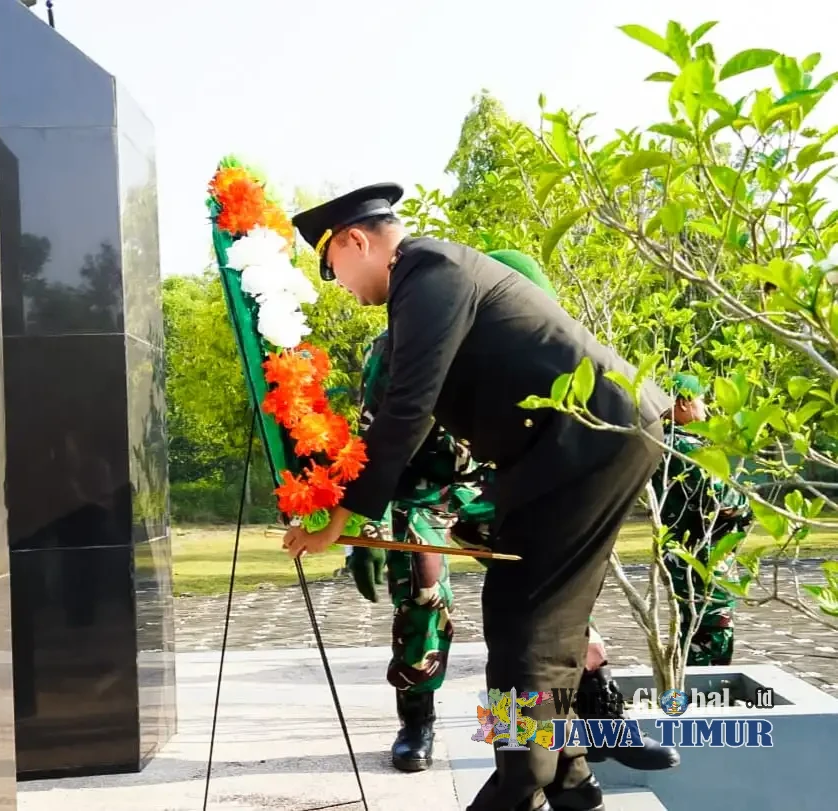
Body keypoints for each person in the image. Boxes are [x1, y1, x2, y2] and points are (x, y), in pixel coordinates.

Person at [283, 183, 671, 811]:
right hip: (568, 450)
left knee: (526, 625)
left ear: (355, 241)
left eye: (333, 270)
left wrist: (342, 516)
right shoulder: (428, 278)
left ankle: (519, 785)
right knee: (537, 623)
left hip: (586, 443)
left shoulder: (430, 272)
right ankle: (568, 777)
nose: (341, 287)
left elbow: (407, 409)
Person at [350, 249, 679, 775]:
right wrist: (365, 520)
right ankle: (418, 721)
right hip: (422, 492)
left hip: (492, 484)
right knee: (423, 598)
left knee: (556, 597)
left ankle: (595, 717)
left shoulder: (539, 343)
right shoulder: (399, 343)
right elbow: (374, 440)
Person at [652, 373, 752, 667]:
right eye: (701, 399)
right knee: (711, 635)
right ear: (684, 403)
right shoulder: (684, 447)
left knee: (690, 629)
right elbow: (723, 501)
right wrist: (746, 502)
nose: (705, 407)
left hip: (683, 556)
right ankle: (703, 693)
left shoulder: (659, 440)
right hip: (703, 559)